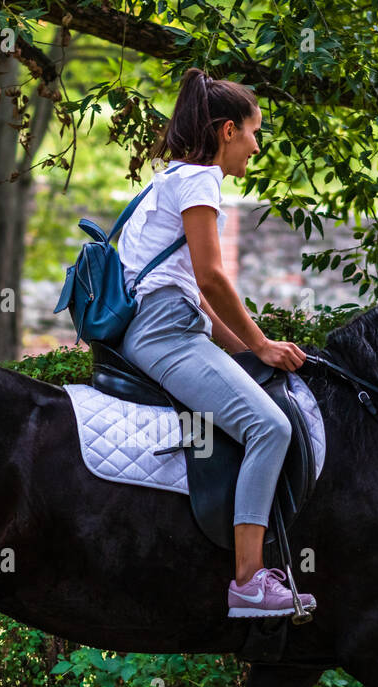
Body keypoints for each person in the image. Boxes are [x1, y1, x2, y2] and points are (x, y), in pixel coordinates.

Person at [117, 67, 313, 619]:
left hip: (169, 324)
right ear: (227, 131)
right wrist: (265, 343)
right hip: (164, 332)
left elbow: (198, 296)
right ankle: (249, 583)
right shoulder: (200, 180)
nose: (255, 146)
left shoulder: (171, 178)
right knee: (269, 427)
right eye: (253, 133)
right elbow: (212, 279)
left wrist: (247, 348)